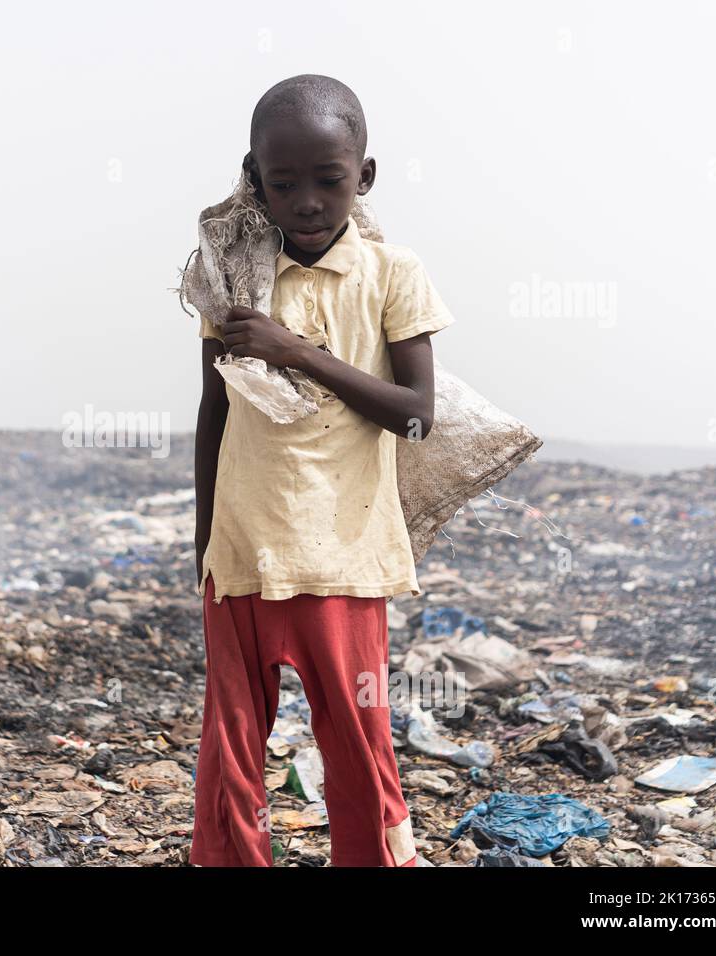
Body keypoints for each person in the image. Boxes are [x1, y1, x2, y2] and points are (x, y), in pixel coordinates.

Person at [191, 74, 454, 867]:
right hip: (242, 551)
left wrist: (296, 352)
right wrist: (204, 539)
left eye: (329, 179)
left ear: (364, 176)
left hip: (344, 555)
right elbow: (214, 412)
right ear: (256, 180)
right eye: (285, 182)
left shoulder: (391, 274)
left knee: (357, 742)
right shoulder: (234, 280)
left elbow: (415, 413)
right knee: (231, 748)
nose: (307, 200)